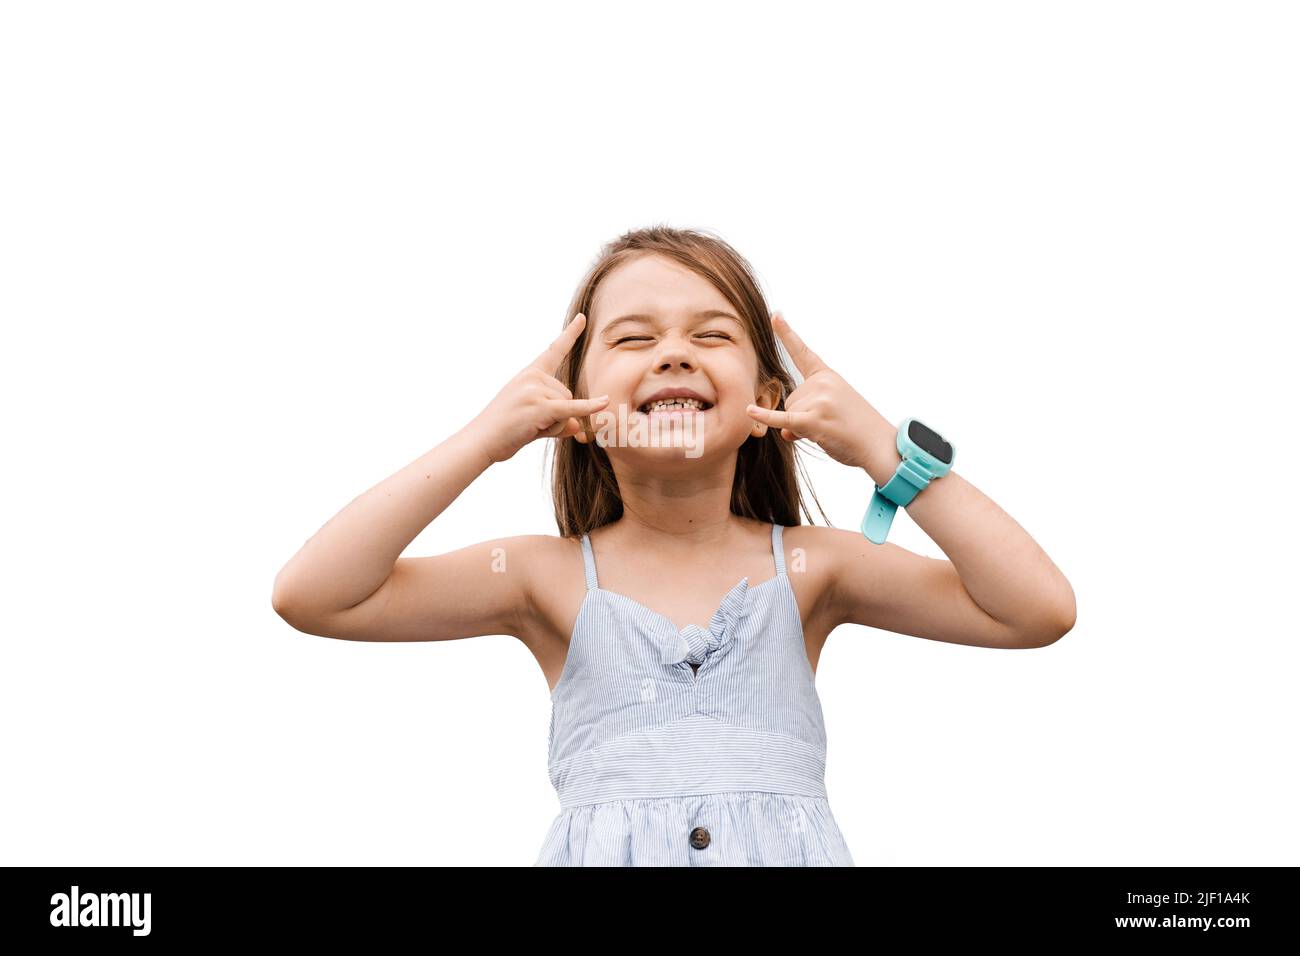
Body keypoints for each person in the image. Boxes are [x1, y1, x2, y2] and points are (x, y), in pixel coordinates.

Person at [271, 225, 1077, 866]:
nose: (674, 352)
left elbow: (1035, 608)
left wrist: (877, 444)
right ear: (577, 412)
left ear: (769, 398)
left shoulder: (814, 568)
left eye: (712, 333)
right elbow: (316, 593)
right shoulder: (540, 579)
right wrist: (484, 439)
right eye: (632, 340)